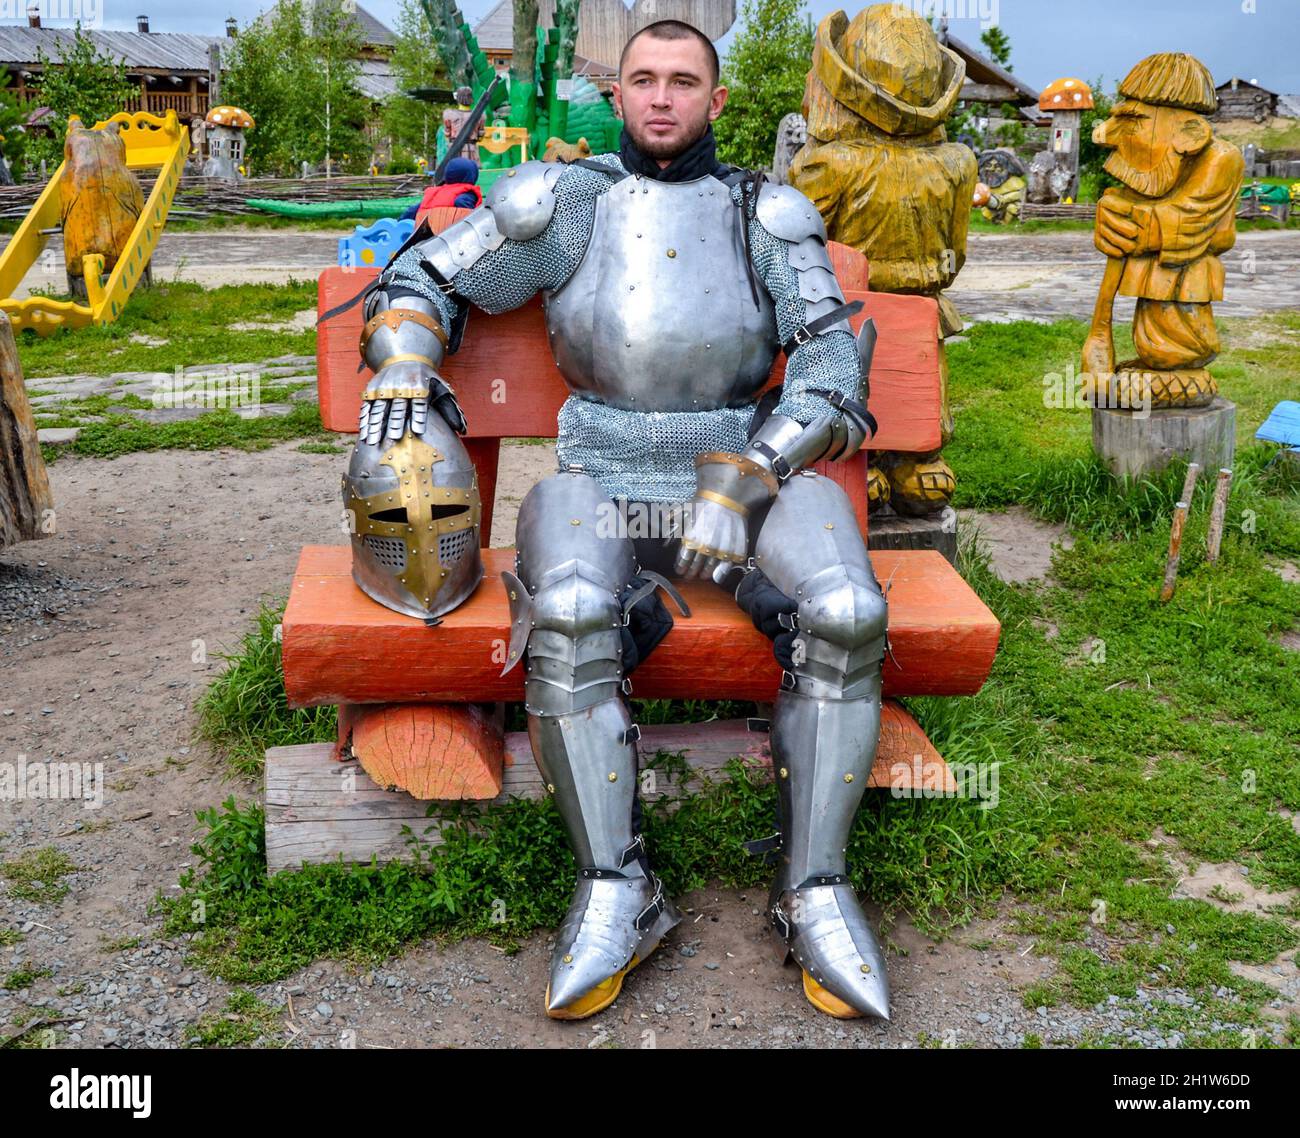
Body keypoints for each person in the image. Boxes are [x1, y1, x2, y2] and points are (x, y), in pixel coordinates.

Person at [351, 19, 889, 1021]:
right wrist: (408, 356)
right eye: (642, 78)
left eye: (683, 81)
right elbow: (422, 278)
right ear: (617, 91)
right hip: (598, 469)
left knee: (850, 610)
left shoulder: (762, 212)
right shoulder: (566, 202)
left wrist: (758, 465)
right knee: (563, 612)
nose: (660, 97)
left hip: (742, 468)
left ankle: (814, 885)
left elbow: (829, 366)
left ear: (715, 101)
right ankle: (614, 882)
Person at [399, 157, 482, 222]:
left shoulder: (436, 192)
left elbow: (412, 210)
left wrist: (399, 221)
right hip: (447, 233)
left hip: (426, 231)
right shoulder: (466, 194)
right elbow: (462, 204)